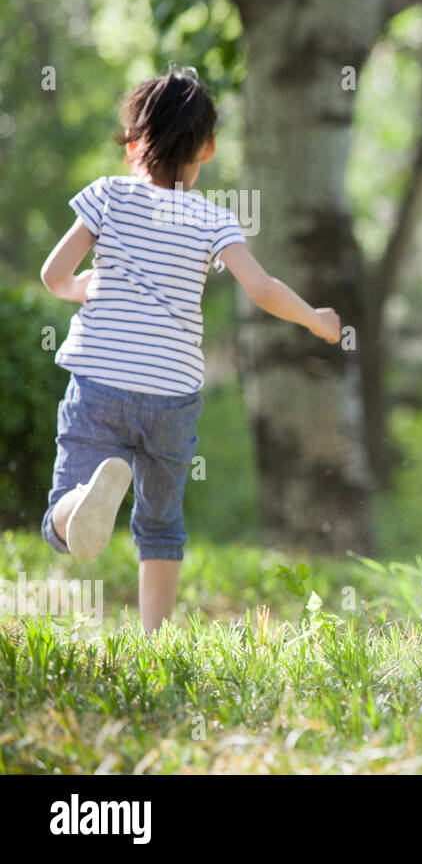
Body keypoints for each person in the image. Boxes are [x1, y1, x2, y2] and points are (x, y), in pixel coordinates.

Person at [39, 69, 341, 631]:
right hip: (172, 393)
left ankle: (79, 504)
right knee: (161, 523)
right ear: (208, 146)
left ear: (134, 140)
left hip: (102, 378)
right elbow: (263, 290)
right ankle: (155, 639)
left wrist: (93, 287)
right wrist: (317, 319)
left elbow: (55, 275)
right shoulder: (213, 219)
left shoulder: (107, 196)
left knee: (60, 517)